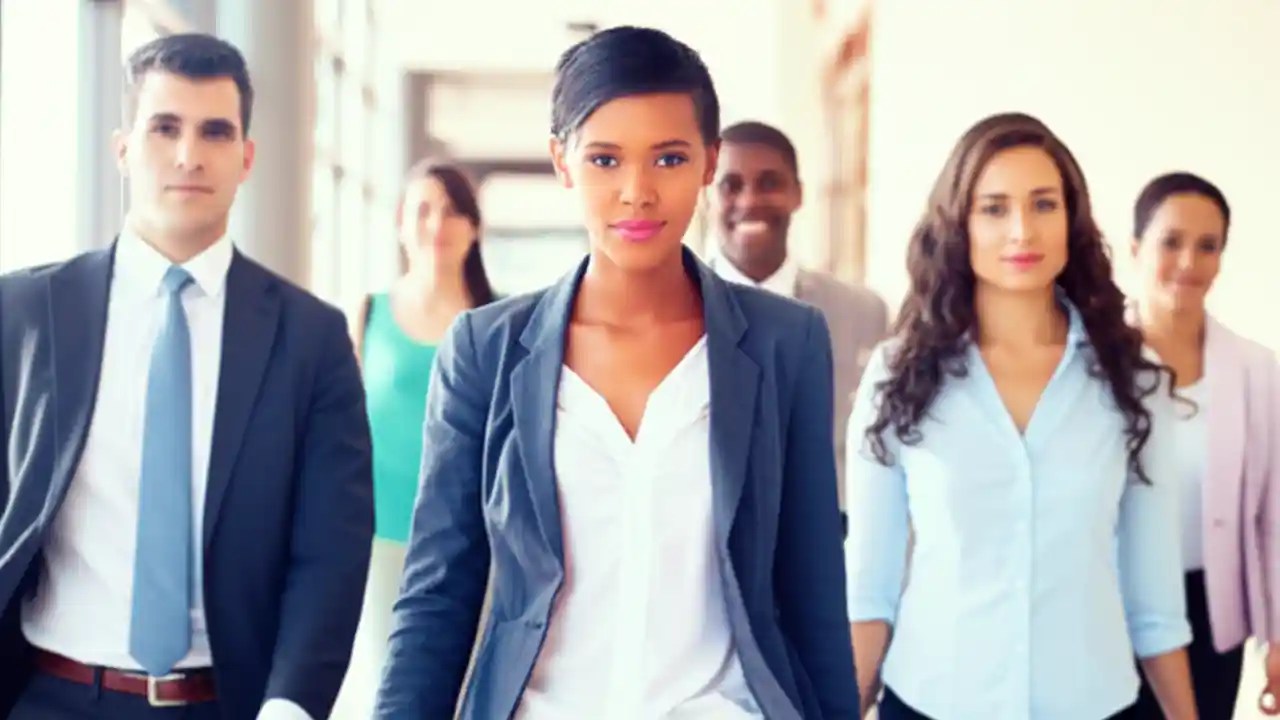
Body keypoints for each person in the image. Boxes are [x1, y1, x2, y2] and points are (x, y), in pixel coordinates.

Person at [374, 25, 857, 720]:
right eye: (604, 159)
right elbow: (438, 595)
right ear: (561, 161)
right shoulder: (484, 349)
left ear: (708, 163)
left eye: (668, 158)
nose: (636, 191)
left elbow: (812, 586)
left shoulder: (787, 343)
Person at [0, 34, 372, 719]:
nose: (188, 155)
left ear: (246, 157)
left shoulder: (311, 339)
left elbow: (331, 552)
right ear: (122, 149)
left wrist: (290, 708)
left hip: (226, 704)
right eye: (164, 127)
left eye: (215, 132)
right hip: (48, 697)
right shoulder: (23, 313)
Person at [845, 112, 1197, 719]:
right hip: (932, 701)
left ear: (1071, 220)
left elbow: (1155, 599)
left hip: (1095, 702)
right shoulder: (898, 373)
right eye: (994, 208)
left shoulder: (1131, 379)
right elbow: (869, 592)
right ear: (958, 223)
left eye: (1043, 205)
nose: (1021, 231)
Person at [330, 159, 496, 718]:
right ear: (402, 222)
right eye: (423, 210)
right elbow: (340, 430)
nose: (437, 224)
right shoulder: (368, 312)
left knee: (468, 684)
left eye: (452, 210)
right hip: (380, 537)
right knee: (390, 688)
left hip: (474, 540)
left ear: (473, 227)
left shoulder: (496, 322)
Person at [1126, 172, 1280, 718]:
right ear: (1136, 247)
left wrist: (1277, 640)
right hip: (1107, 606)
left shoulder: (1256, 371)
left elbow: (1272, 517)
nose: (1189, 262)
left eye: (1207, 246)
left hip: (1210, 613)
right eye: (1172, 242)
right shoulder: (1092, 363)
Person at [709, 120, 888, 531]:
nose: (750, 200)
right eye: (730, 185)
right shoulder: (676, 309)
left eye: (769, 183)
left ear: (797, 194)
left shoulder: (864, 314)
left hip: (835, 546)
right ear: (707, 198)